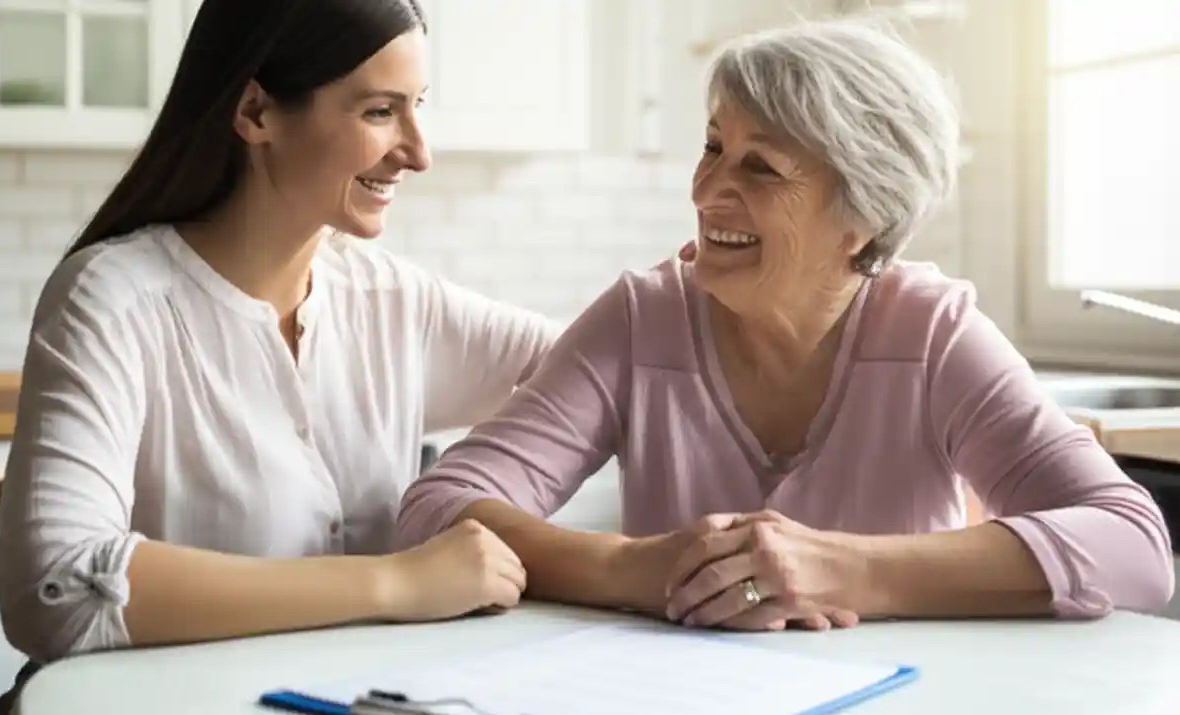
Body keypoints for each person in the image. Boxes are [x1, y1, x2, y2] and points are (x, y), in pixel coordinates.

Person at [396, 17, 1175, 633]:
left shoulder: (932, 334)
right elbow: (438, 505)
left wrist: (845, 570)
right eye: (712, 147)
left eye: (759, 167)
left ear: (864, 218)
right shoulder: (643, 317)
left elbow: (1136, 548)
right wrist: (632, 569)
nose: (708, 190)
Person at [0, 0, 559, 680]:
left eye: (419, 105)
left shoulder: (393, 302)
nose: (419, 151)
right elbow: (55, 589)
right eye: (381, 111)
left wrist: (700, 291)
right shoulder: (112, 302)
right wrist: (397, 583)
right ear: (256, 112)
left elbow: (597, 371)